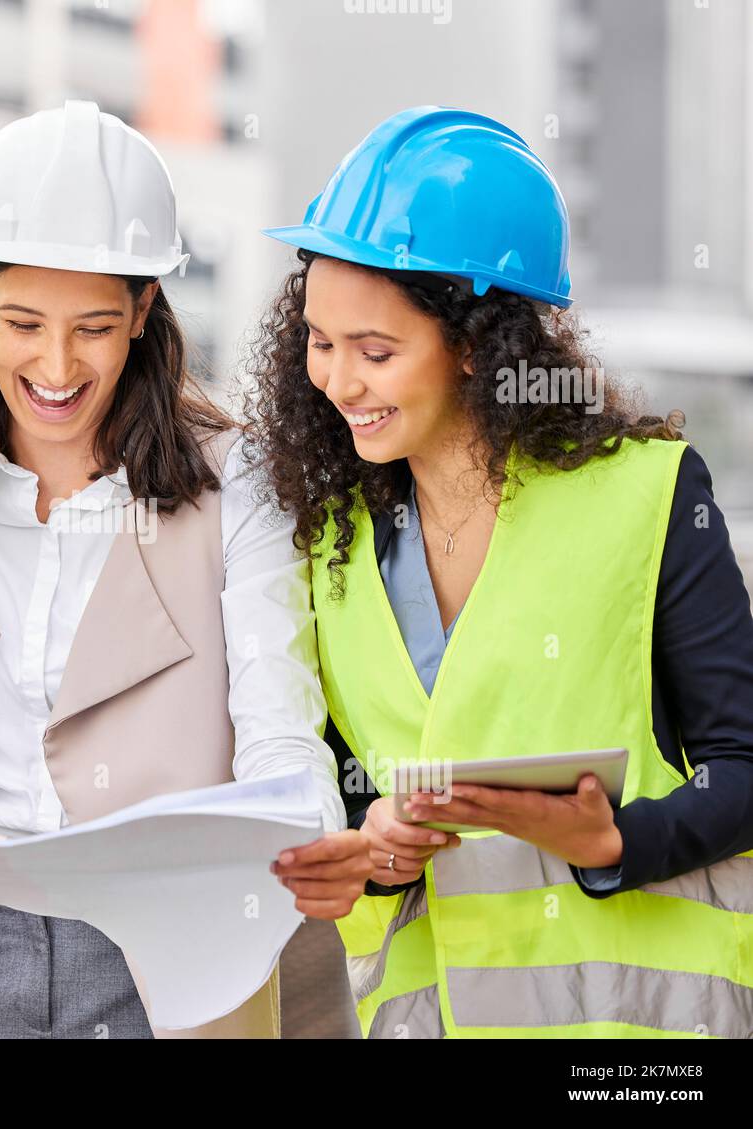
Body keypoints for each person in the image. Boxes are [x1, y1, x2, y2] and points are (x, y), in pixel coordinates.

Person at [0, 101, 371, 1039]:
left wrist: (307, 828)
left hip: (168, 953)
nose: (54, 364)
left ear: (141, 313)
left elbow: (277, 723)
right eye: (23, 322)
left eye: (92, 325)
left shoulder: (236, 483)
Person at [252, 106, 753, 1038]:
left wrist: (617, 841)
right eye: (320, 342)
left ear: (479, 345)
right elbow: (345, 782)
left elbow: (746, 762)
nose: (338, 381)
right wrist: (375, 846)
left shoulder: (649, 498)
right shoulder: (330, 541)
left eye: (377, 351)